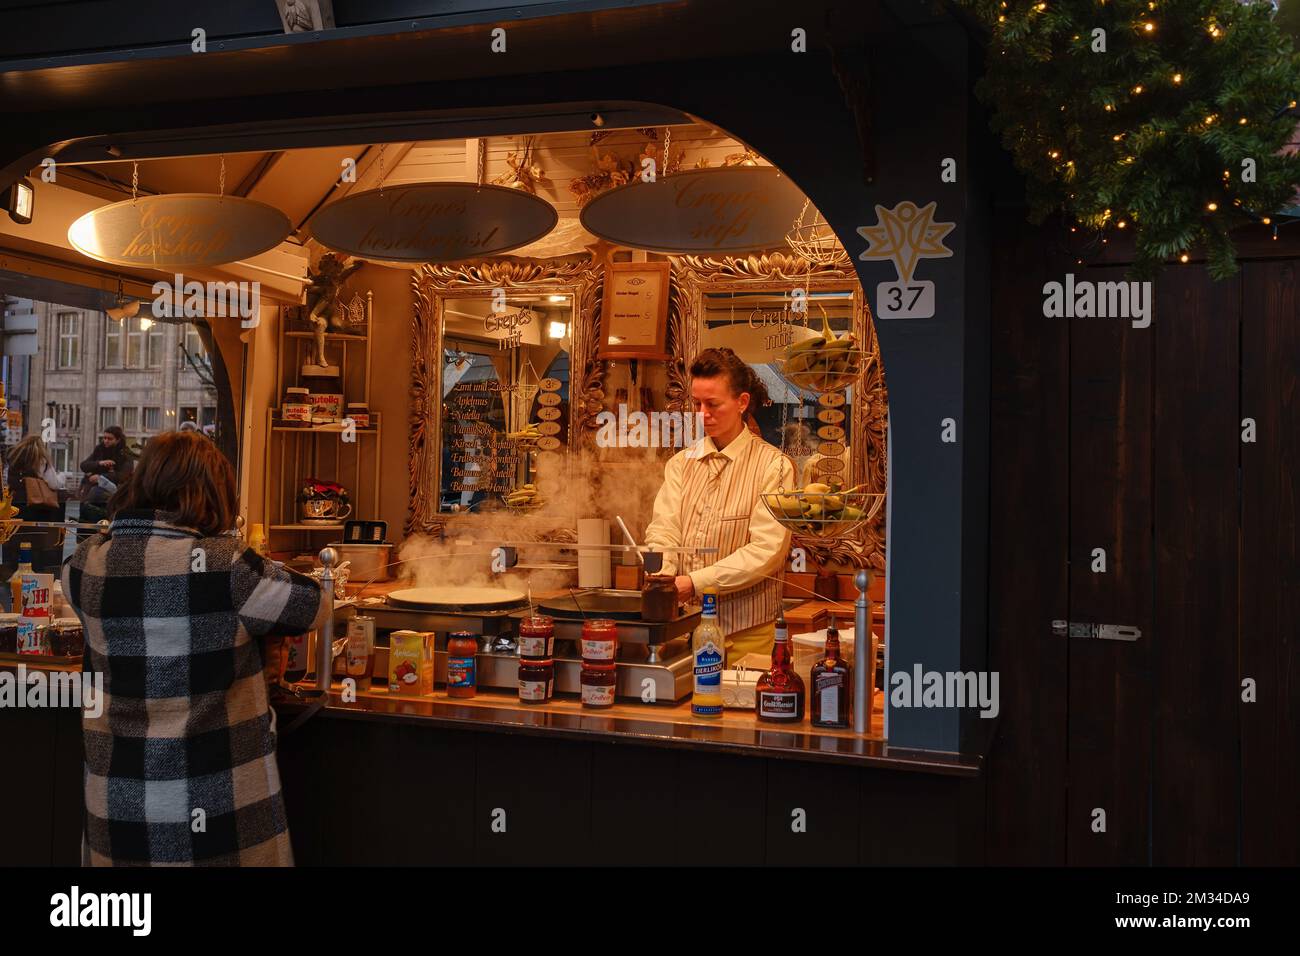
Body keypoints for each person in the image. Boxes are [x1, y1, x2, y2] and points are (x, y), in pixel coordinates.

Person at [63, 430, 331, 866]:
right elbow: (314, 606)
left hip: (117, 810)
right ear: (208, 494)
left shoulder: (84, 563)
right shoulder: (227, 565)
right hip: (215, 811)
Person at [644, 348, 794, 665]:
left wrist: (694, 583)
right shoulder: (680, 465)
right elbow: (664, 529)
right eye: (696, 404)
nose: (702, 414)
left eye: (713, 404)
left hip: (747, 633)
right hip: (686, 628)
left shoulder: (775, 467)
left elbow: (767, 551)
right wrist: (664, 574)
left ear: (741, 402)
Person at [3, 435, 66, 573]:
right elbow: (54, 483)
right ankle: (33, 575)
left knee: (15, 543)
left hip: (15, 506)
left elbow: (7, 481)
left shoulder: (13, 459)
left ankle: (13, 575)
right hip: (36, 507)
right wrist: (62, 477)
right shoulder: (40, 460)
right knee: (36, 545)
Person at [78, 425, 135, 524]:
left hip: (111, 495)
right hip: (90, 494)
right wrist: (99, 463)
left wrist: (100, 478)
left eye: (110, 439)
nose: (106, 441)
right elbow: (84, 465)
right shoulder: (99, 449)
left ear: (118, 440)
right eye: (104, 438)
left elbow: (123, 475)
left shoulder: (126, 454)